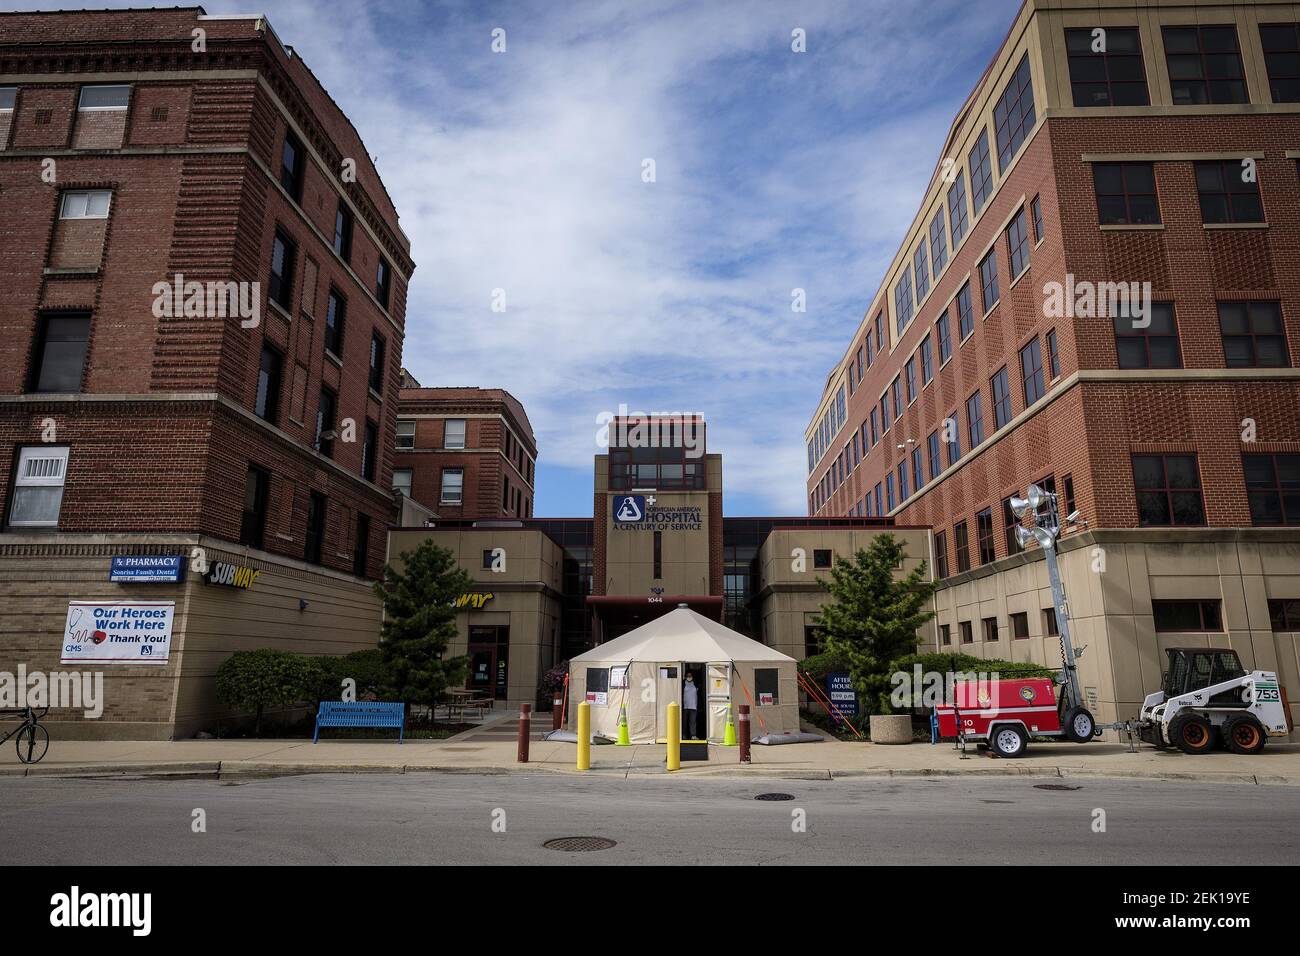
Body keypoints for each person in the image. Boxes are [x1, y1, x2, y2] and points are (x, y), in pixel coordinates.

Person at [682, 672, 700, 739]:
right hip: (685, 706)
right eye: (688, 676)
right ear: (686, 676)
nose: (689, 677)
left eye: (690, 676)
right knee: (684, 722)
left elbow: (698, 694)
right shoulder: (683, 683)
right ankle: (684, 735)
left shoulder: (695, 684)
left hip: (693, 706)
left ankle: (693, 735)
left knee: (693, 722)